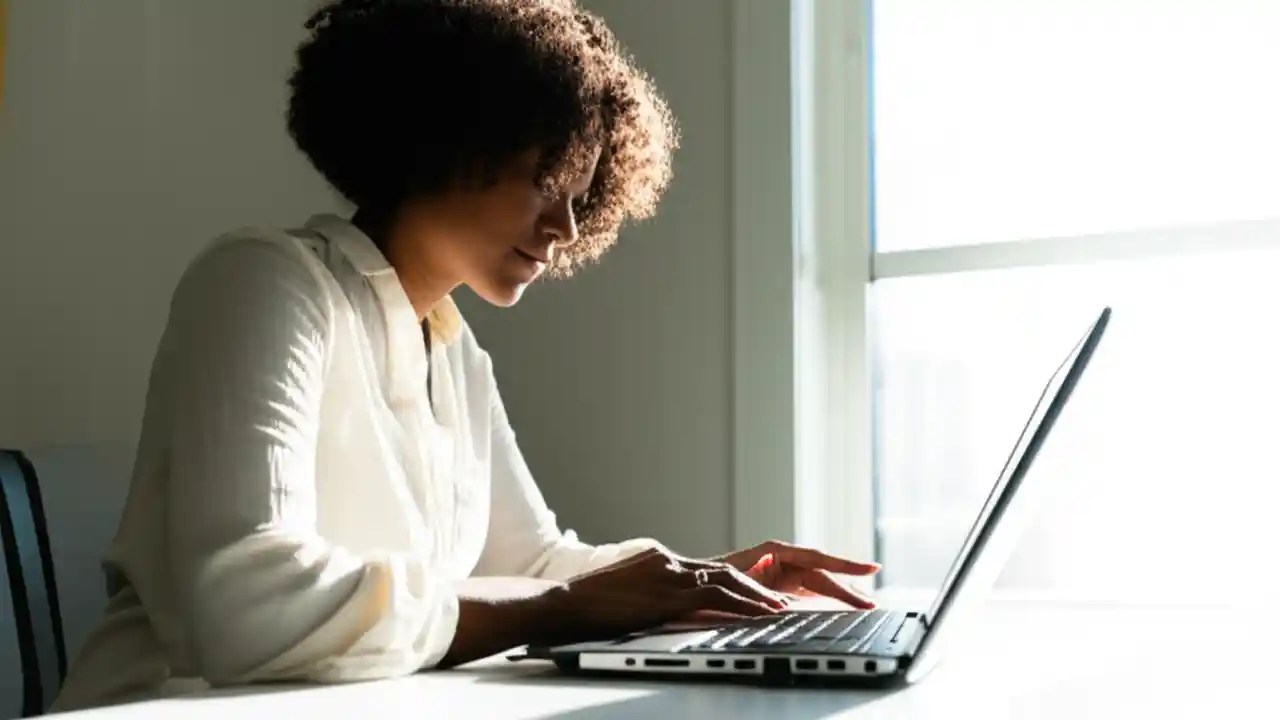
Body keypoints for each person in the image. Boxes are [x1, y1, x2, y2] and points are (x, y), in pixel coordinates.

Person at [52, 0, 879, 710]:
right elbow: (246, 604)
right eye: (542, 179)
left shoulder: (450, 345)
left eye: (579, 195)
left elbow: (532, 564)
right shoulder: (265, 283)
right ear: (443, 138)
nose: (563, 229)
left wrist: (693, 582)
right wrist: (559, 607)